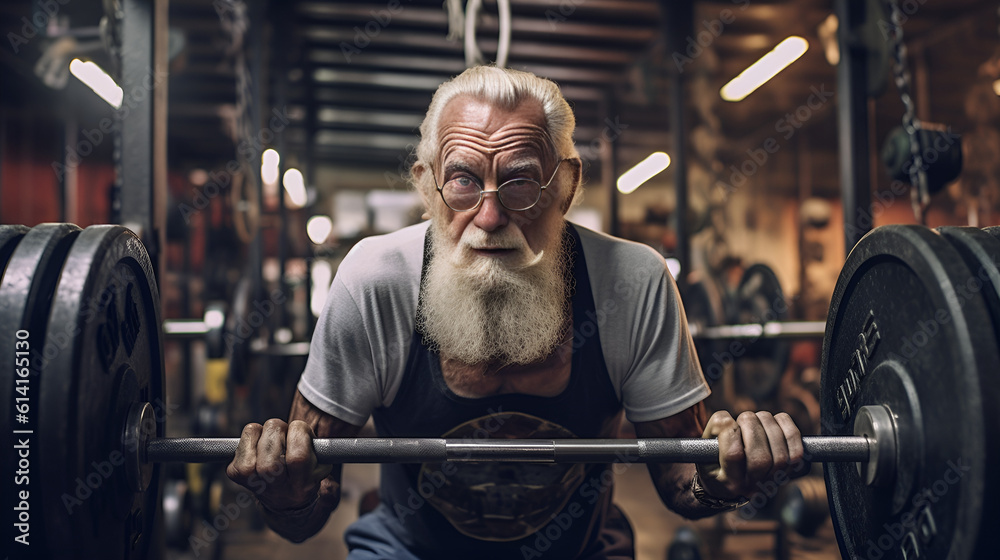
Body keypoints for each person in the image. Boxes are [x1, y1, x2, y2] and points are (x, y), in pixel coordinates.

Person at [227, 66, 806, 559]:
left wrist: (725, 477)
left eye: (521, 182)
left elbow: (683, 483)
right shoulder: (374, 281)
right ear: (427, 186)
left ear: (567, 186)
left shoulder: (633, 282)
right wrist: (283, 491)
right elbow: (298, 519)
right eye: (462, 181)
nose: (489, 217)